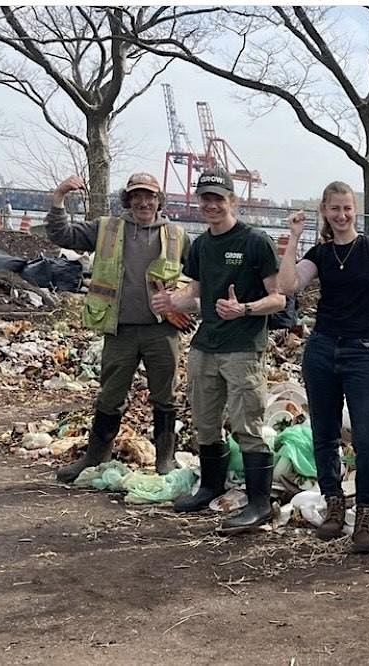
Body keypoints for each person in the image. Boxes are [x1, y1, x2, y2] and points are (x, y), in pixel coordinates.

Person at [277, 182, 369, 554]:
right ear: (325, 212)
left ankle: (364, 512)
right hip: (323, 348)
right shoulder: (322, 253)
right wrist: (294, 238)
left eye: (347, 208)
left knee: (366, 437)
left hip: (364, 350)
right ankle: (333, 504)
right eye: (334, 209)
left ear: (355, 210)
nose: (341, 215)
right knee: (324, 433)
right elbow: (288, 285)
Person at [152, 168, 285, 535]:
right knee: (205, 422)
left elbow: (279, 298)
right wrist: (170, 302)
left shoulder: (256, 242)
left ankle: (260, 504)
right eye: (205, 198)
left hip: (243, 347)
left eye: (218, 198)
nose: (211, 205)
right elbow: (195, 297)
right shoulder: (200, 245)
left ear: (233, 201)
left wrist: (244, 308)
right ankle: (212, 485)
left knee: (248, 425)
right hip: (205, 347)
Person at [45, 172, 192, 483]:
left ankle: (165, 459)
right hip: (120, 329)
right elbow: (62, 235)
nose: (143, 202)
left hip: (161, 331)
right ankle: (95, 457)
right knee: (110, 396)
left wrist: (184, 303)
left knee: (165, 397)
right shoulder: (107, 228)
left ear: (159, 200)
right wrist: (59, 197)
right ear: (128, 200)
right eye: (137, 196)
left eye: (150, 196)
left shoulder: (178, 235)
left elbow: (199, 278)